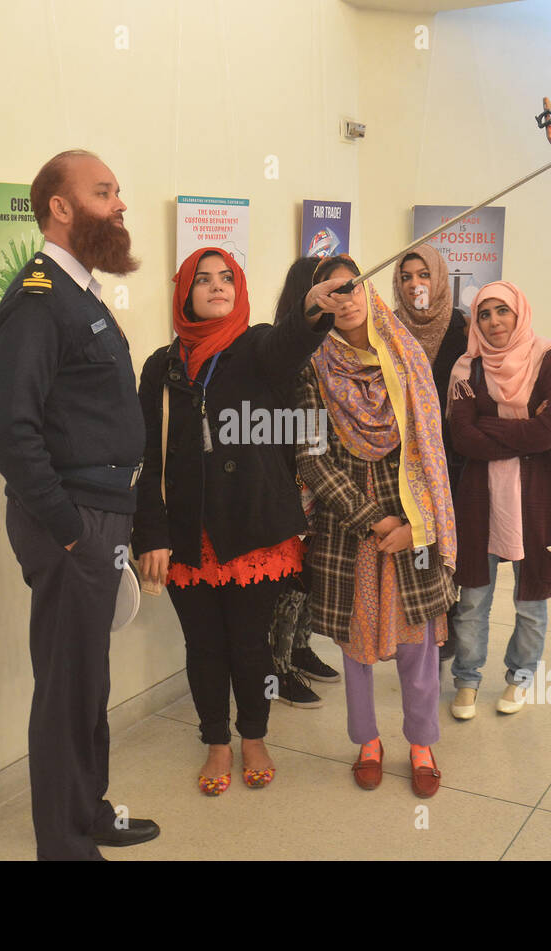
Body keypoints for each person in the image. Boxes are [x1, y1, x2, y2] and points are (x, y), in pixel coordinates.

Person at [0, 148, 159, 860]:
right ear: (61, 207)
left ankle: (88, 812)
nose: (120, 204)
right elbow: (9, 432)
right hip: (73, 519)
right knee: (65, 689)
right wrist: (66, 530)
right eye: (104, 192)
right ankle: (63, 844)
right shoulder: (36, 299)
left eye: (118, 191)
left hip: (100, 514)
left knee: (89, 678)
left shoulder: (79, 291)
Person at [133, 247, 333, 795]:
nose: (217, 287)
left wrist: (312, 310)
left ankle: (254, 737)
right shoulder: (161, 365)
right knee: (204, 647)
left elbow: (289, 344)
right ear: (185, 293)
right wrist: (149, 533)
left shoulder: (256, 347)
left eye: (227, 278)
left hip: (251, 531)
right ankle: (217, 743)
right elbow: (148, 456)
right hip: (185, 536)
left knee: (250, 644)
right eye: (203, 280)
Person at [295, 255, 458, 798]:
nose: (345, 299)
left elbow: (431, 447)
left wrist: (419, 525)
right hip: (352, 523)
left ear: (367, 288)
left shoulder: (405, 353)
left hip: (412, 515)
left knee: (419, 640)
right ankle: (367, 741)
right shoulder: (313, 364)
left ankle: (421, 742)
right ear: (318, 303)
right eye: (330, 293)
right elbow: (312, 457)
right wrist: (371, 518)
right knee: (357, 637)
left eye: (352, 286)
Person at [445, 281, 551, 720]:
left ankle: (520, 678)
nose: (493, 322)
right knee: (472, 598)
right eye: (483, 314)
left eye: (501, 311)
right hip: (479, 498)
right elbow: (462, 438)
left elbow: (550, 431)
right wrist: (523, 431)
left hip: (541, 494)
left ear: (519, 312)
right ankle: (467, 680)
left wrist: (491, 426)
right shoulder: (466, 368)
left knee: (532, 600)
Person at [267, 256, 341, 709]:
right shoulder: (282, 347)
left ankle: (298, 646)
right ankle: (276, 668)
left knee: (308, 575)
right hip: (293, 479)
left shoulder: (335, 344)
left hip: (322, 480)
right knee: (288, 577)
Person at [392, 244, 469, 660]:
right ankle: (425, 632)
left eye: (423, 275)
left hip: (459, 457)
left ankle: (454, 627)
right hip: (407, 459)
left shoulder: (465, 327)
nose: (415, 284)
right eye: (406, 277)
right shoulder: (388, 329)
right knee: (421, 545)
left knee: (454, 544)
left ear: (439, 278)